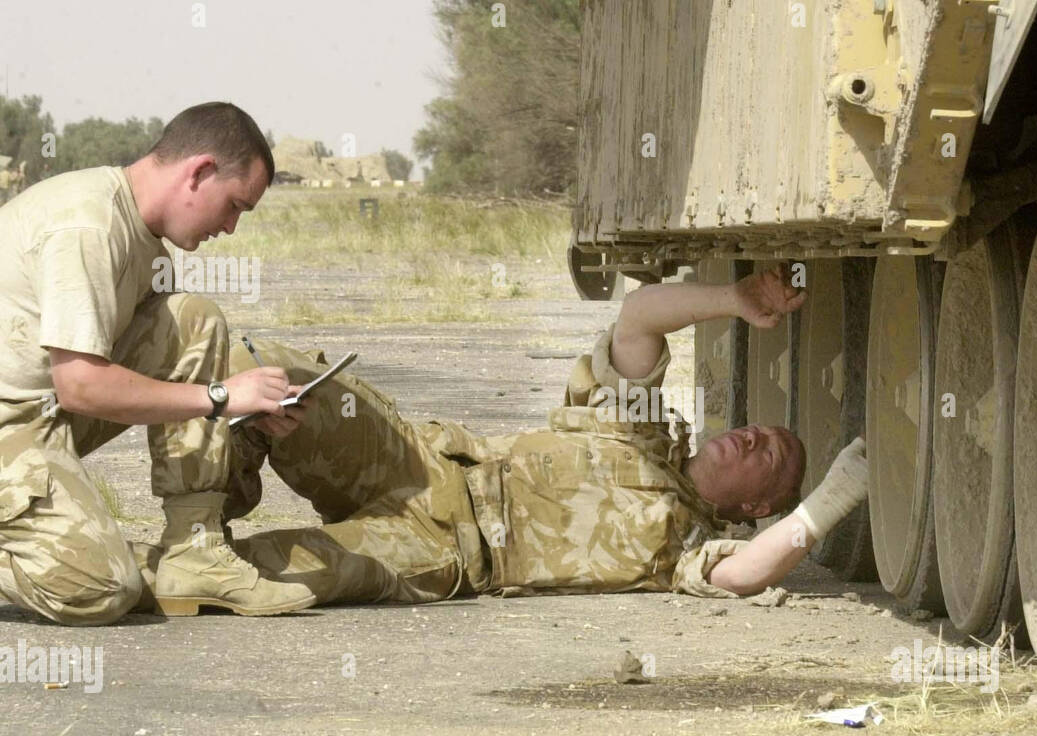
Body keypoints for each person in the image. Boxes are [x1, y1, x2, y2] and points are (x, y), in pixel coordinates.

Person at [203, 265, 871, 605]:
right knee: (267, 372)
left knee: (234, 580)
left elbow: (746, 573)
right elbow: (638, 320)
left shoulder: (687, 545)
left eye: (768, 454)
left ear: (755, 509)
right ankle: (202, 507)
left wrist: (836, 494)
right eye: (756, 430)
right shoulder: (639, 430)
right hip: (419, 463)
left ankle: (129, 573)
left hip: (443, 549)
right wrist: (732, 298)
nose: (749, 439)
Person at [0, 102, 318, 626]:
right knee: (100, 588)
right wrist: (217, 398)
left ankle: (194, 555)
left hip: (39, 412)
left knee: (193, 320)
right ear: (199, 171)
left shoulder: (145, 242)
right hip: (18, 420)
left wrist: (240, 413)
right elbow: (80, 385)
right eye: (235, 205)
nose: (232, 228)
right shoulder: (88, 225)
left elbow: (164, 367)